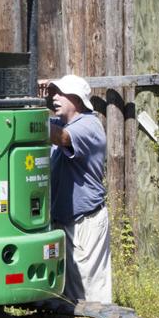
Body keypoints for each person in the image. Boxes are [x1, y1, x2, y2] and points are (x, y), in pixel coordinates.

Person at [46, 74, 112, 304]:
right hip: (65, 220)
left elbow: (61, 137)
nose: (55, 97)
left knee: (91, 293)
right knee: (68, 293)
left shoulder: (88, 126)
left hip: (85, 222)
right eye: (54, 93)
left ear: (77, 99)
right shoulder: (63, 123)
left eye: (61, 93)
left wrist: (29, 120)